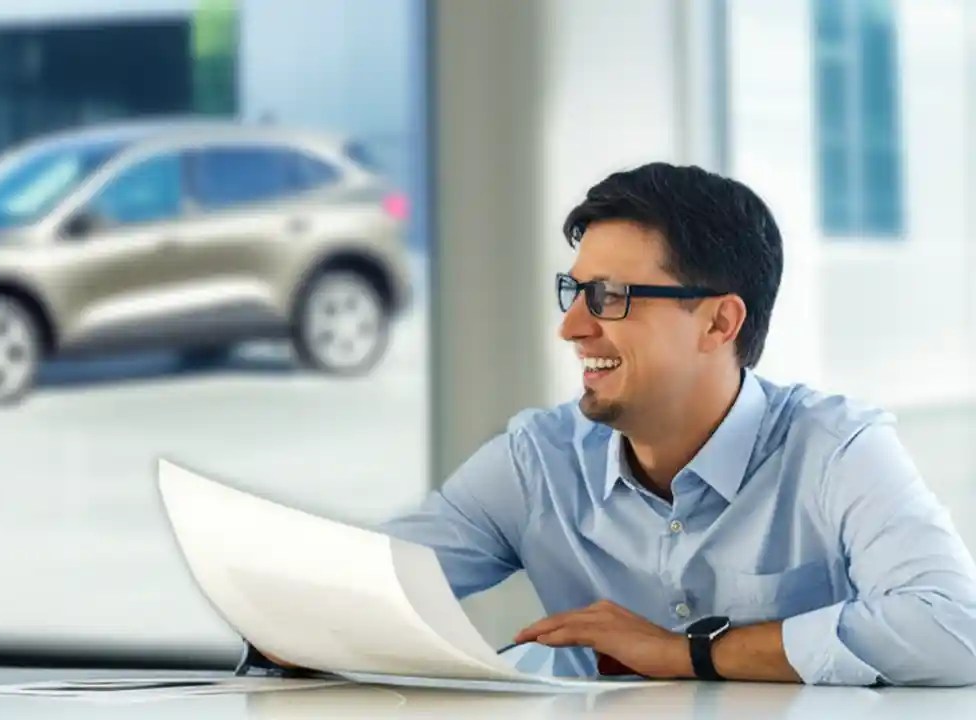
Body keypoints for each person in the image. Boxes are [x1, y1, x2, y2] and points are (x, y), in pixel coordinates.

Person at [254, 163, 976, 686]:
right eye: (574, 291)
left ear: (719, 321)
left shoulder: (835, 449)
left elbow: (953, 629)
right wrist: (294, 622)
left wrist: (691, 652)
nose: (571, 327)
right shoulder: (538, 460)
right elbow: (359, 592)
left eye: (609, 297)